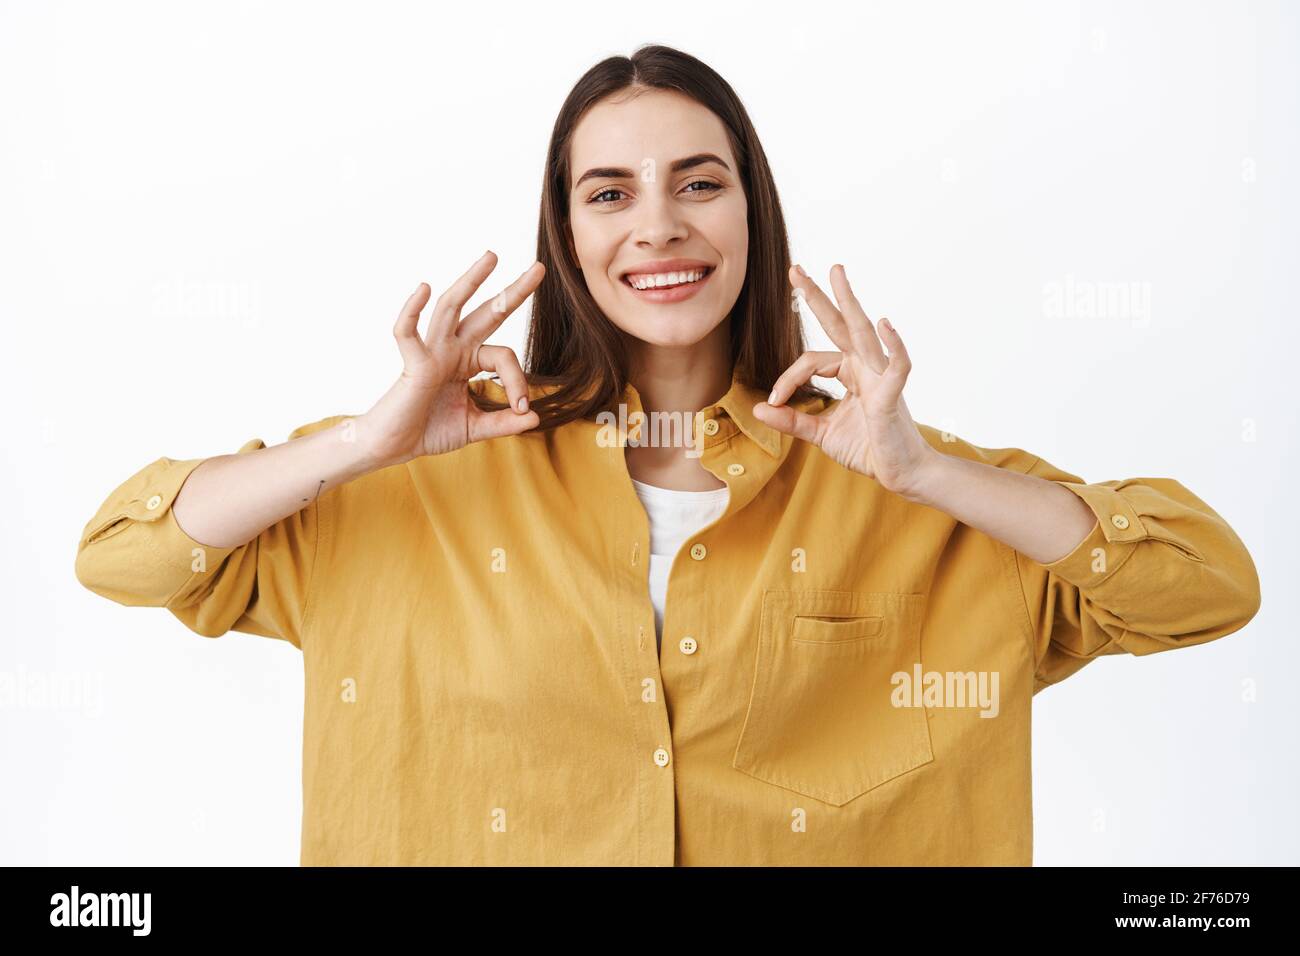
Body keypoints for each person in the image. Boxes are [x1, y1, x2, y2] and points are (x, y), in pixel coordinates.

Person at [74, 44, 1261, 866]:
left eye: (699, 182)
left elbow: (1207, 585)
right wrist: (361, 438)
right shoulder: (400, 491)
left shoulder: (902, 481)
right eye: (609, 192)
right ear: (568, 231)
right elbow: (125, 553)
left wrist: (925, 476)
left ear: (753, 214)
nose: (658, 225)